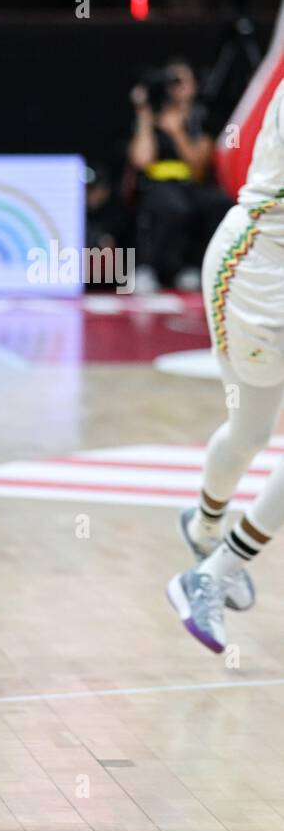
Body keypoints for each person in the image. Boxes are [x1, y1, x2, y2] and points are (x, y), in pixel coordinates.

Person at [166, 77, 284, 653]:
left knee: (254, 431)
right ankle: (210, 559)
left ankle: (209, 544)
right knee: (249, 430)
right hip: (258, 277)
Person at [128, 59, 231, 290]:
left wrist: (177, 132)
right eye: (171, 81)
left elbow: (198, 167)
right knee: (173, 207)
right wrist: (144, 116)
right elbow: (142, 160)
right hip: (158, 182)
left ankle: (195, 267)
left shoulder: (200, 118)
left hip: (190, 182)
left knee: (220, 203)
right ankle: (149, 268)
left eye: (182, 81)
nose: (177, 87)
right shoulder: (152, 115)